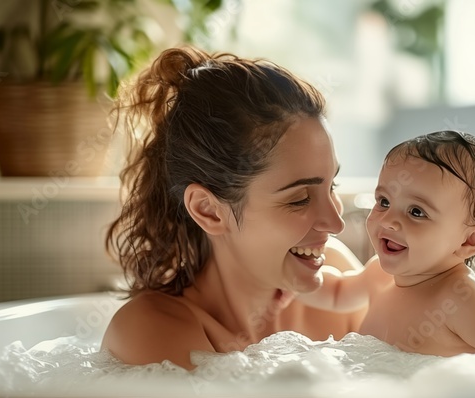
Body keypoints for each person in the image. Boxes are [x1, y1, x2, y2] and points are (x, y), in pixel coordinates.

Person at [101, 46, 367, 370]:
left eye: (332, 186)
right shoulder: (150, 331)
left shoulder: (337, 277)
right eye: (300, 198)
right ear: (209, 211)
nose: (335, 223)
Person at [297, 131, 475, 372]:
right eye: (384, 201)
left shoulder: (462, 300)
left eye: (416, 212)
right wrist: (285, 272)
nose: (388, 220)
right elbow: (336, 293)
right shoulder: (379, 273)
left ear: (470, 240)